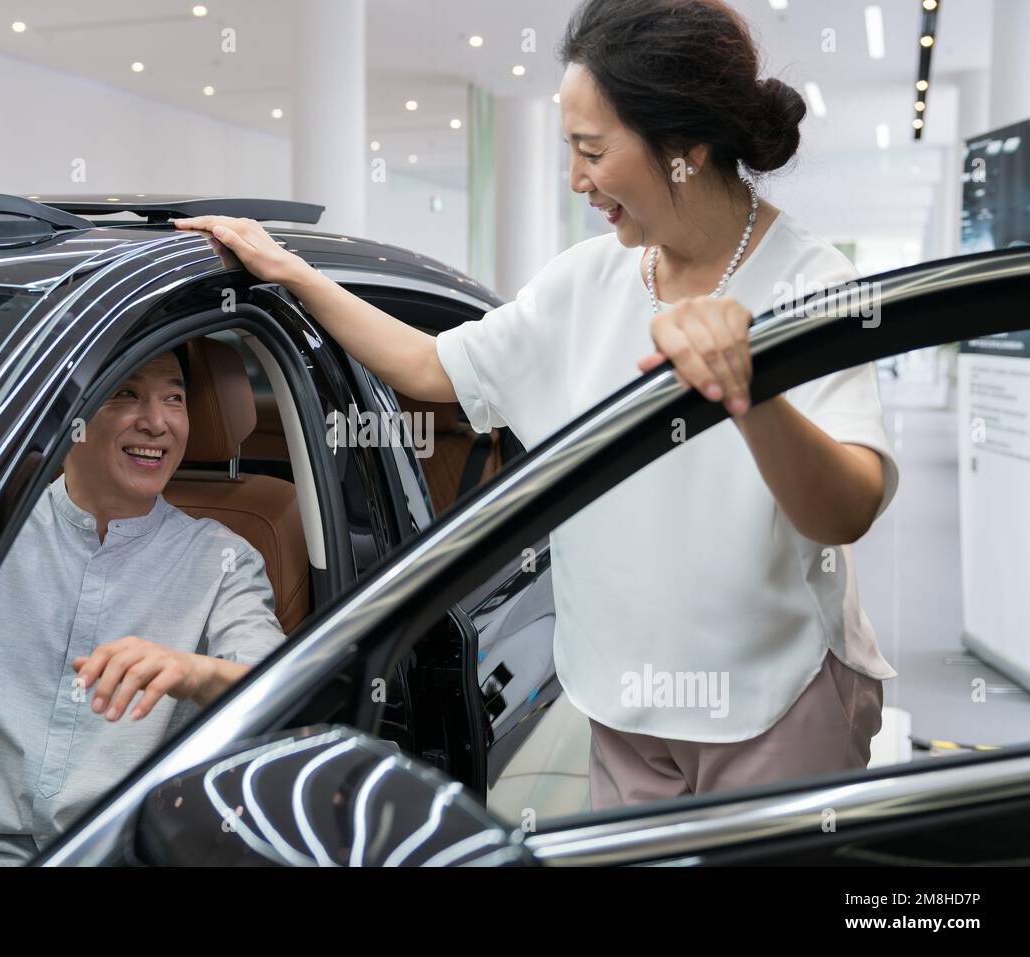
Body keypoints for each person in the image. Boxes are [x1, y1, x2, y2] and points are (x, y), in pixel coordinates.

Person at [170, 0, 898, 810]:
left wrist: (750, 390)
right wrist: (295, 274)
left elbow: (847, 508)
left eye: (592, 151)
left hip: (776, 701)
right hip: (621, 706)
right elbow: (427, 365)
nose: (577, 179)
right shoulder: (583, 284)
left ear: (686, 146)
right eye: (570, 150)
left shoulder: (811, 282)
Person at [0, 348, 285, 864]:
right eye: (126, 394)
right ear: (65, 416)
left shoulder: (222, 559)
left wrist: (193, 672)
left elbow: (281, 687)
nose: (156, 422)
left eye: (174, 397)